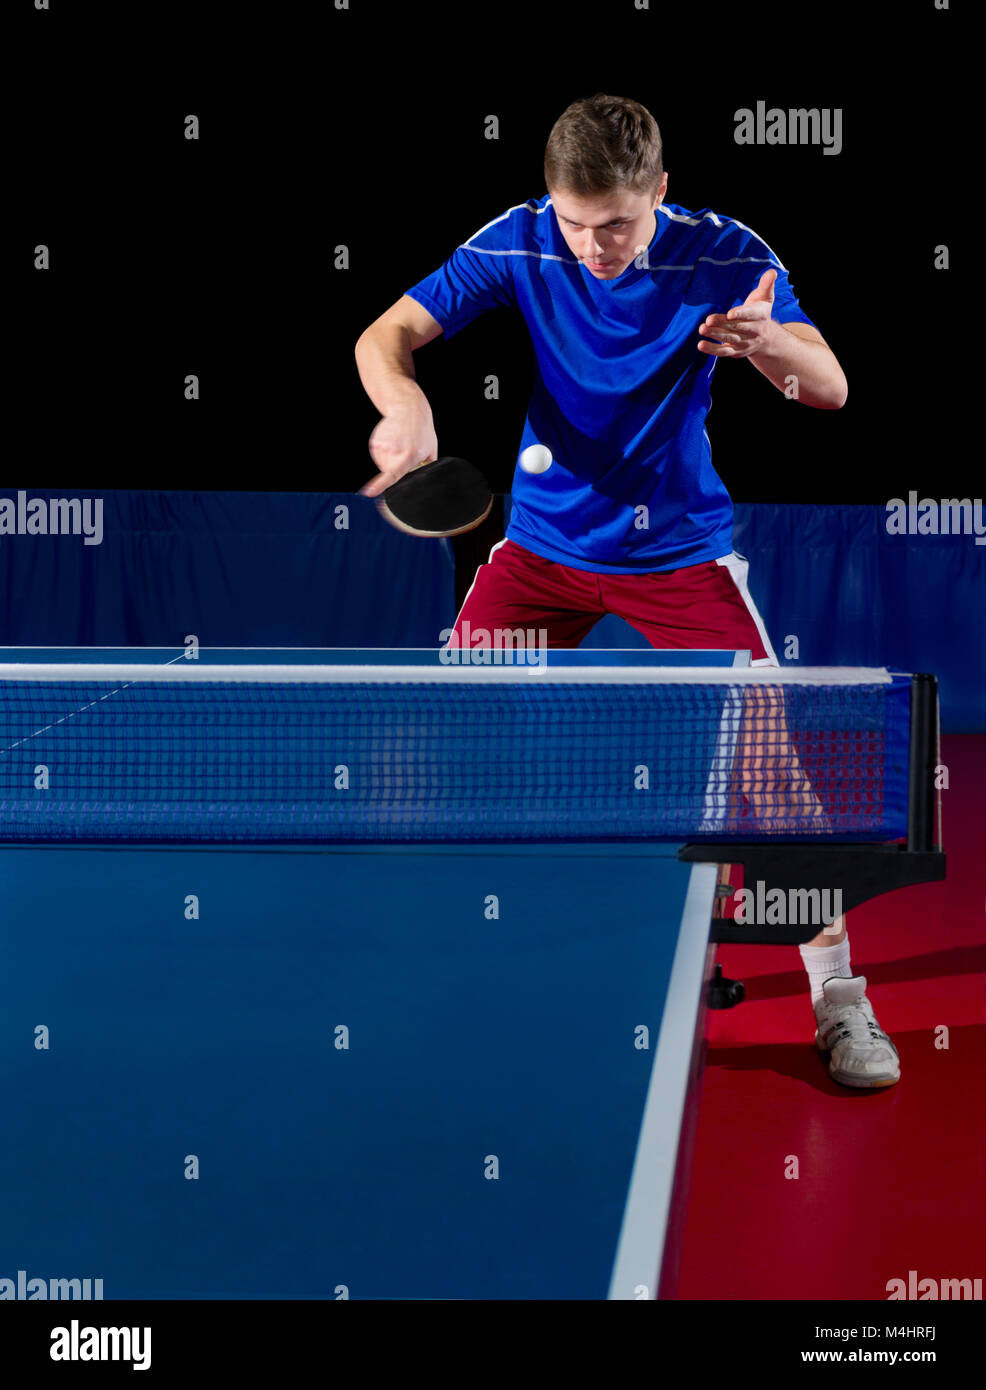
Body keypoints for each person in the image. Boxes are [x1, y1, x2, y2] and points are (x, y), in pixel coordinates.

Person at [353, 92, 899, 1090]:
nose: (594, 246)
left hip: (678, 558)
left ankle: (836, 998)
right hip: (542, 551)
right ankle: (446, 960)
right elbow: (383, 332)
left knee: (771, 777)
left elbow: (829, 387)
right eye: (575, 223)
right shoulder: (521, 241)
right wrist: (404, 410)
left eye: (614, 223)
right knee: (443, 731)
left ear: (658, 190)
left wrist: (765, 343)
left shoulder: (723, 252)